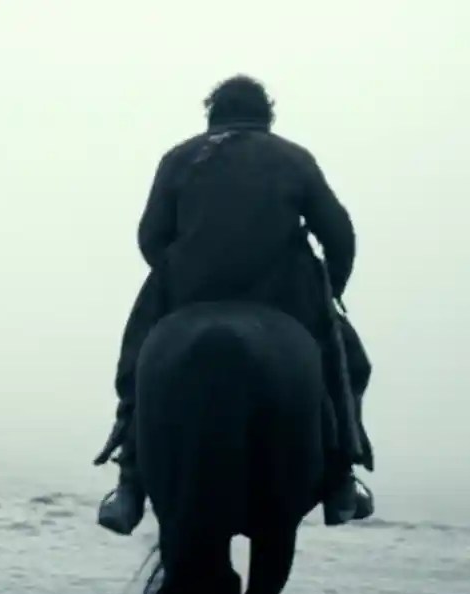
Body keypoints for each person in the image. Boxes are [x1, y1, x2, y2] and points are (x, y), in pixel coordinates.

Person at [94, 75, 376, 535]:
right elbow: (339, 232)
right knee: (350, 362)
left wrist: (180, 271)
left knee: (138, 361)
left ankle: (130, 484)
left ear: (213, 114)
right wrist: (331, 290)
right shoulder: (293, 157)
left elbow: (150, 237)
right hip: (283, 298)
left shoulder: (179, 158)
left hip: (191, 294)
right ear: (266, 116)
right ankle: (342, 478)